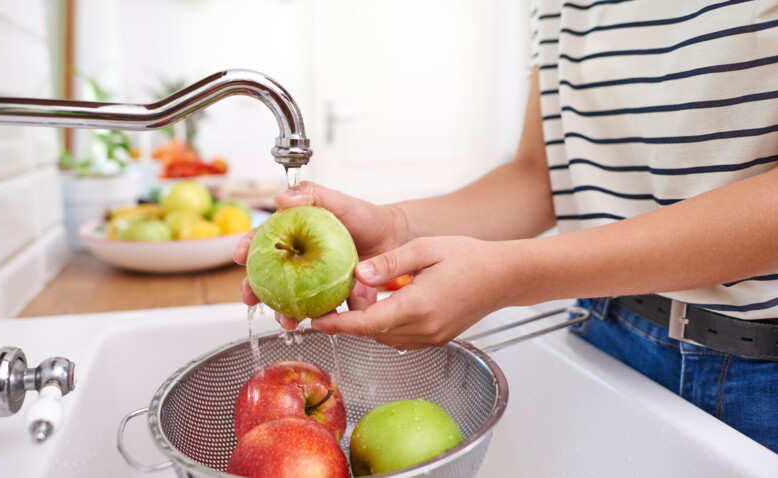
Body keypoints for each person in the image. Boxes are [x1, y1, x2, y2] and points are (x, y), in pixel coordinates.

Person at [235, 0, 778, 453]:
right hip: (604, 329)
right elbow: (540, 174)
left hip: (754, 374)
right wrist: (396, 226)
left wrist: (515, 276)